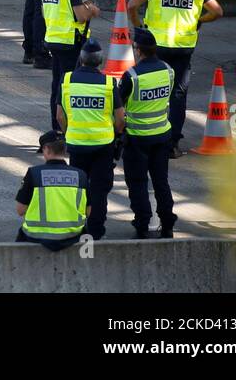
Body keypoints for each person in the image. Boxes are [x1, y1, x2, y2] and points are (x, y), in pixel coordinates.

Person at [127, 0, 223, 158]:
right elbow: (218, 11)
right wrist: (200, 20)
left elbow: (132, 5)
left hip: (155, 47)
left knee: (147, 88)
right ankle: (172, 144)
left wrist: (139, 26)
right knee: (178, 95)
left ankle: (144, 135)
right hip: (182, 48)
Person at [57, 40, 124, 241]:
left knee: (78, 187)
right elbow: (120, 118)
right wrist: (115, 134)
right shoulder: (109, 83)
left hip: (77, 145)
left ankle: (77, 226)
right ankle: (96, 229)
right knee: (99, 189)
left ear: (81, 59)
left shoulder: (67, 80)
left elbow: (60, 115)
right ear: (100, 62)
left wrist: (69, 132)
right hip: (103, 146)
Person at [118, 28, 177, 239]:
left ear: (139, 50)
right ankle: (167, 222)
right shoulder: (168, 71)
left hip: (137, 139)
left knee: (138, 182)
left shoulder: (131, 76)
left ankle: (143, 222)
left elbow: (118, 104)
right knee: (161, 181)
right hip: (162, 136)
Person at [39, 0, 101, 127]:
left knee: (57, 85)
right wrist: (92, 10)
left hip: (52, 39)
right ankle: (67, 125)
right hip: (70, 42)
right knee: (69, 86)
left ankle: (56, 127)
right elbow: (81, 17)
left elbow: (46, 11)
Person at [15, 130, 88, 250]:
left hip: (37, 235)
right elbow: (88, 211)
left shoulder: (34, 173)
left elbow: (20, 210)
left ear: (47, 149)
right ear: (64, 149)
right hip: (73, 236)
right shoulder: (80, 175)